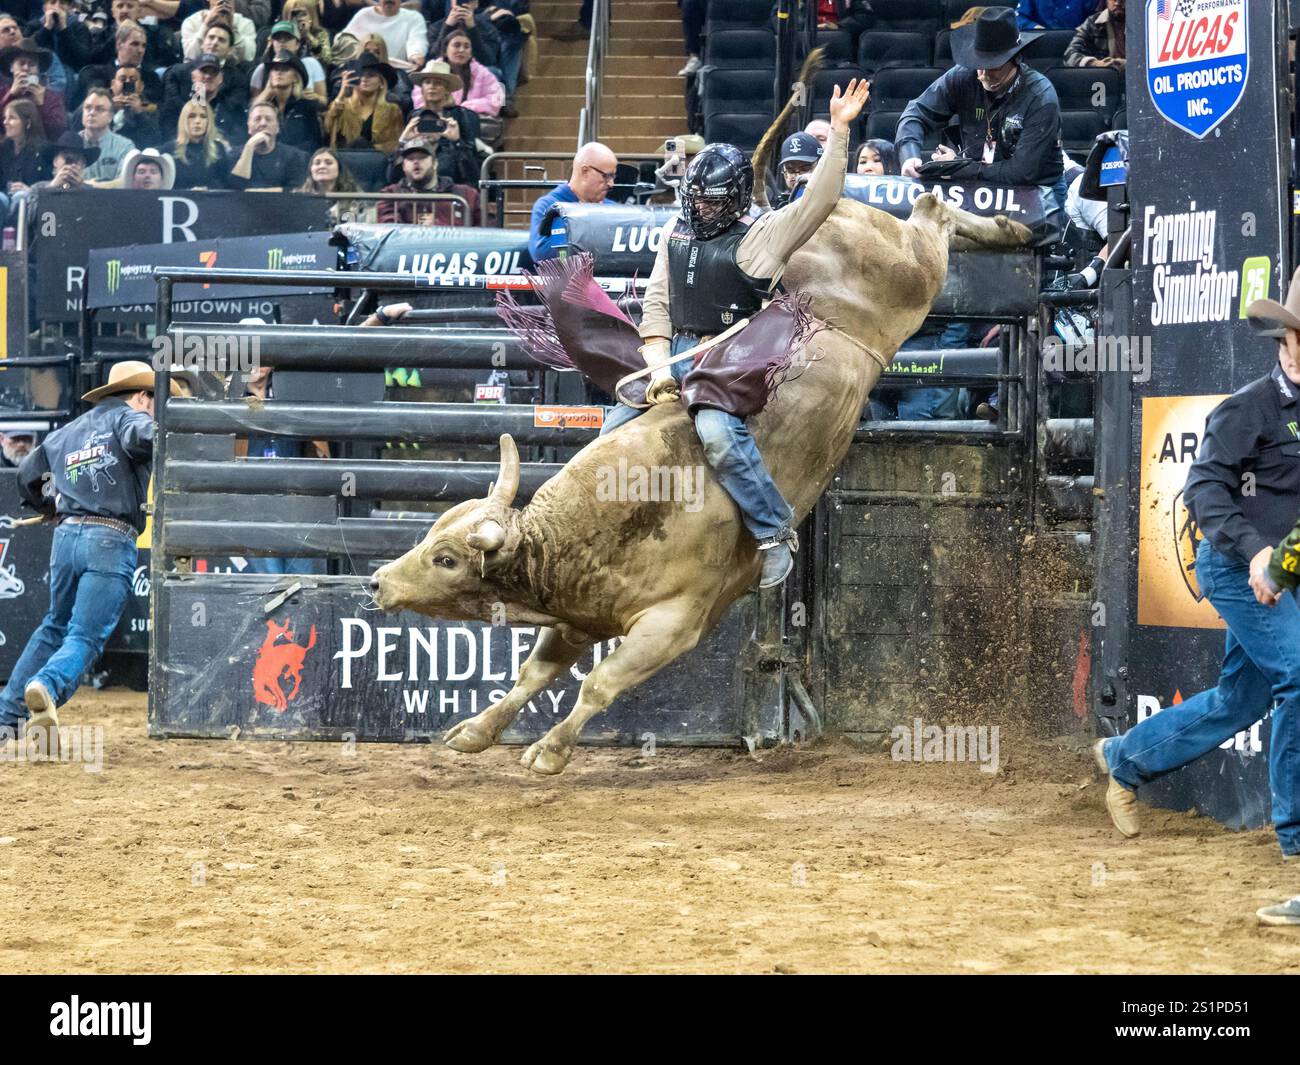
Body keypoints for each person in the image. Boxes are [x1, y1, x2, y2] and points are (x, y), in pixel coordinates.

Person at [607, 78, 871, 589]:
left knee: (717, 433)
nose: (699, 208)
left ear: (731, 201)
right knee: (613, 428)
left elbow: (818, 200)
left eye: (709, 202)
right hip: (679, 350)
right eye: (694, 199)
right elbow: (658, 300)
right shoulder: (675, 229)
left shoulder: (763, 234)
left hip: (735, 354)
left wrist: (839, 132)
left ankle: (773, 531)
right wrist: (659, 361)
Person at [1092, 267, 1300, 858]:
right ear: (1287, 337)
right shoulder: (1248, 409)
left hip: (1287, 572)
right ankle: (1296, 840)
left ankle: (1124, 758)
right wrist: (1259, 553)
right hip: (1237, 569)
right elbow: (1204, 491)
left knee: (1243, 701)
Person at [0, 360, 182, 749]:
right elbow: (142, 437)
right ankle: (47, 685)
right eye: (154, 401)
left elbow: (29, 477)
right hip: (109, 539)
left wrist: (49, 506)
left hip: (66, 538)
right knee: (84, 636)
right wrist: (166, 435)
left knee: (54, 627)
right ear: (140, 396)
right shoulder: (130, 419)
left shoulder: (66, 433)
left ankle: (5, 719)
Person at [896, 7, 1063, 194]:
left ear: (1014, 59)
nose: (983, 74)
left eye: (993, 66)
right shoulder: (962, 76)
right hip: (975, 183)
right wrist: (909, 155)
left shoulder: (1040, 96)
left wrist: (957, 168)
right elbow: (916, 114)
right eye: (979, 64)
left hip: (1036, 188)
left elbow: (1021, 173)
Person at [528, 140, 618, 262]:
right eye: (606, 176)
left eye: (613, 176)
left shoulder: (613, 210)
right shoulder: (548, 206)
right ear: (585, 171)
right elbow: (541, 253)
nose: (611, 184)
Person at [160, 22, 249, 135]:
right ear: (202, 43)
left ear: (230, 50)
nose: (214, 42)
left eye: (221, 40)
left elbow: (232, 115)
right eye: (211, 37)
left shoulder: (238, 79)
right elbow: (169, 112)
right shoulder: (176, 73)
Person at [408, 57, 482, 185]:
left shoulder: (463, 115)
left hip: (453, 177)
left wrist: (457, 141)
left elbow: (472, 166)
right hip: (418, 173)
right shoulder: (414, 116)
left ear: (447, 89)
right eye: (427, 82)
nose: (432, 87)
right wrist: (404, 141)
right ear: (422, 88)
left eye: (437, 83)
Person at [376, 133, 478, 225]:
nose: (416, 162)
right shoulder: (390, 195)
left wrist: (439, 226)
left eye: (422, 157)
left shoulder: (466, 194)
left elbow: (483, 233)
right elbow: (390, 230)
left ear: (435, 163)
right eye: (410, 159)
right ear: (403, 166)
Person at [325, 49, 402, 154]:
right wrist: (341, 93)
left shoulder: (392, 110)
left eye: (371, 75)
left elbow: (395, 143)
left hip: (378, 162)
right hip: (346, 160)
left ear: (381, 82)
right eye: (360, 75)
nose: (364, 79)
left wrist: (372, 149)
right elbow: (327, 128)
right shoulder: (342, 106)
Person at [73, 19, 161, 109]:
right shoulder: (94, 73)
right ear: (119, 44)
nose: (140, 50)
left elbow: (156, 111)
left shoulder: (152, 79)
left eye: (143, 46)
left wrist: (140, 108)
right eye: (134, 44)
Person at [225, 98, 308, 187]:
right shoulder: (232, 155)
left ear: (277, 128)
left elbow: (293, 192)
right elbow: (235, 188)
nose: (263, 123)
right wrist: (249, 148)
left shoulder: (295, 156)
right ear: (249, 127)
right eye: (257, 119)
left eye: (268, 119)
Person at [253, 54, 322, 151]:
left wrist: (287, 153)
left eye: (285, 69)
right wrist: (265, 93)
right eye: (275, 69)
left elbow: (315, 142)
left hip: (299, 159)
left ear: (295, 77)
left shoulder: (306, 106)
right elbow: (249, 131)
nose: (279, 73)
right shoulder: (264, 106)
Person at [0, 37, 66, 137]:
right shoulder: (2, 93)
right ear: (11, 67)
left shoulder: (52, 97)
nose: (26, 68)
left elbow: (57, 131)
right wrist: (11, 95)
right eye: (21, 63)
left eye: (31, 64)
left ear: (38, 69)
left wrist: (41, 105)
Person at [249, 19, 327, 98]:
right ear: (272, 43)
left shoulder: (311, 64)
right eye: (278, 38)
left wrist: (315, 98)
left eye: (287, 38)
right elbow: (253, 105)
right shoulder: (263, 68)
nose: (282, 42)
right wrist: (268, 93)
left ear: (297, 44)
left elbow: (324, 101)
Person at [342, 0, 427, 72]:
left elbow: (417, 40)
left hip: (397, 70)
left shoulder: (414, 17)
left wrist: (416, 54)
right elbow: (344, 39)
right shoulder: (364, 14)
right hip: (363, 69)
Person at [163, 97, 229, 187]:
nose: (197, 121)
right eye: (191, 116)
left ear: (209, 121)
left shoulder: (218, 149)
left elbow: (226, 184)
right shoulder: (170, 149)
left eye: (203, 116)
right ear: (183, 120)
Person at [0, 98, 49, 217]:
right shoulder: (3, 148)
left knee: (20, 197)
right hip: (3, 197)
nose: (6, 122)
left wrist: (30, 190)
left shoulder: (43, 150)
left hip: (30, 201)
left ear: (27, 123)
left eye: (12, 118)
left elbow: (49, 184)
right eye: (5, 118)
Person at [440, 27, 503, 118]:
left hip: (472, 122)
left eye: (466, 47)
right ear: (445, 51)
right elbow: (420, 101)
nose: (462, 50)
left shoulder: (483, 73)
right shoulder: (432, 70)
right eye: (457, 45)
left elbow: (496, 100)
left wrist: (465, 108)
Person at [78, 85, 135, 180]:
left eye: (99, 109)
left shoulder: (124, 146)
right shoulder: (70, 144)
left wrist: (92, 187)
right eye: (88, 107)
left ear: (110, 117)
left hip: (112, 195)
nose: (91, 113)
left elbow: (124, 181)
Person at [429, 0, 500, 71]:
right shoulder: (436, 27)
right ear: (452, 2)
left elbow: (487, 61)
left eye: (468, 1)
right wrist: (448, 27)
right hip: (444, 70)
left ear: (476, 4)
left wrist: (472, 29)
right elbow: (433, 58)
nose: (463, 5)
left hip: (476, 70)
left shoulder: (487, 29)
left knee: (492, 71)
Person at [180, 0, 256, 63]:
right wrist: (206, 25)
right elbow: (191, 55)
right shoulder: (192, 21)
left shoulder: (246, 23)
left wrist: (233, 28)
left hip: (231, 72)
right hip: (197, 69)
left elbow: (248, 57)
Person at [298, 146, 361, 220]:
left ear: (339, 169)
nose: (322, 166)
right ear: (310, 170)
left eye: (328, 163)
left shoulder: (356, 199)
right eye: (317, 163)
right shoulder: (298, 198)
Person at [29, 129, 97, 191]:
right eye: (67, 157)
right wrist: (52, 186)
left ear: (83, 165)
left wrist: (80, 188)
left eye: (76, 158)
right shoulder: (38, 188)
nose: (71, 165)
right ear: (55, 161)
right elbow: (30, 200)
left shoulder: (91, 191)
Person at [1065, 0, 1124, 71]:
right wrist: (1095, 64)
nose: (1117, 3)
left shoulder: (1140, 24)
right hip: (1104, 77)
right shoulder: (1093, 22)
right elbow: (1070, 54)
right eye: (1114, 0)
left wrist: (1127, 64)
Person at [773, 131, 822, 207]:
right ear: (784, 173)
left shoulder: (836, 197)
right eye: (791, 170)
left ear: (821, 167)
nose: (798, 175)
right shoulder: (777, 205)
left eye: (805, 168)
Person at [282, 0, 333, 65]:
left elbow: (326, 60)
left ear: (311, 16)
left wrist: (308, 36)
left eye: (303, 14)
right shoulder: (280, 34)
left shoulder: (320, 33)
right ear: (287, 16)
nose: (299, 18)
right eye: (294, 14)